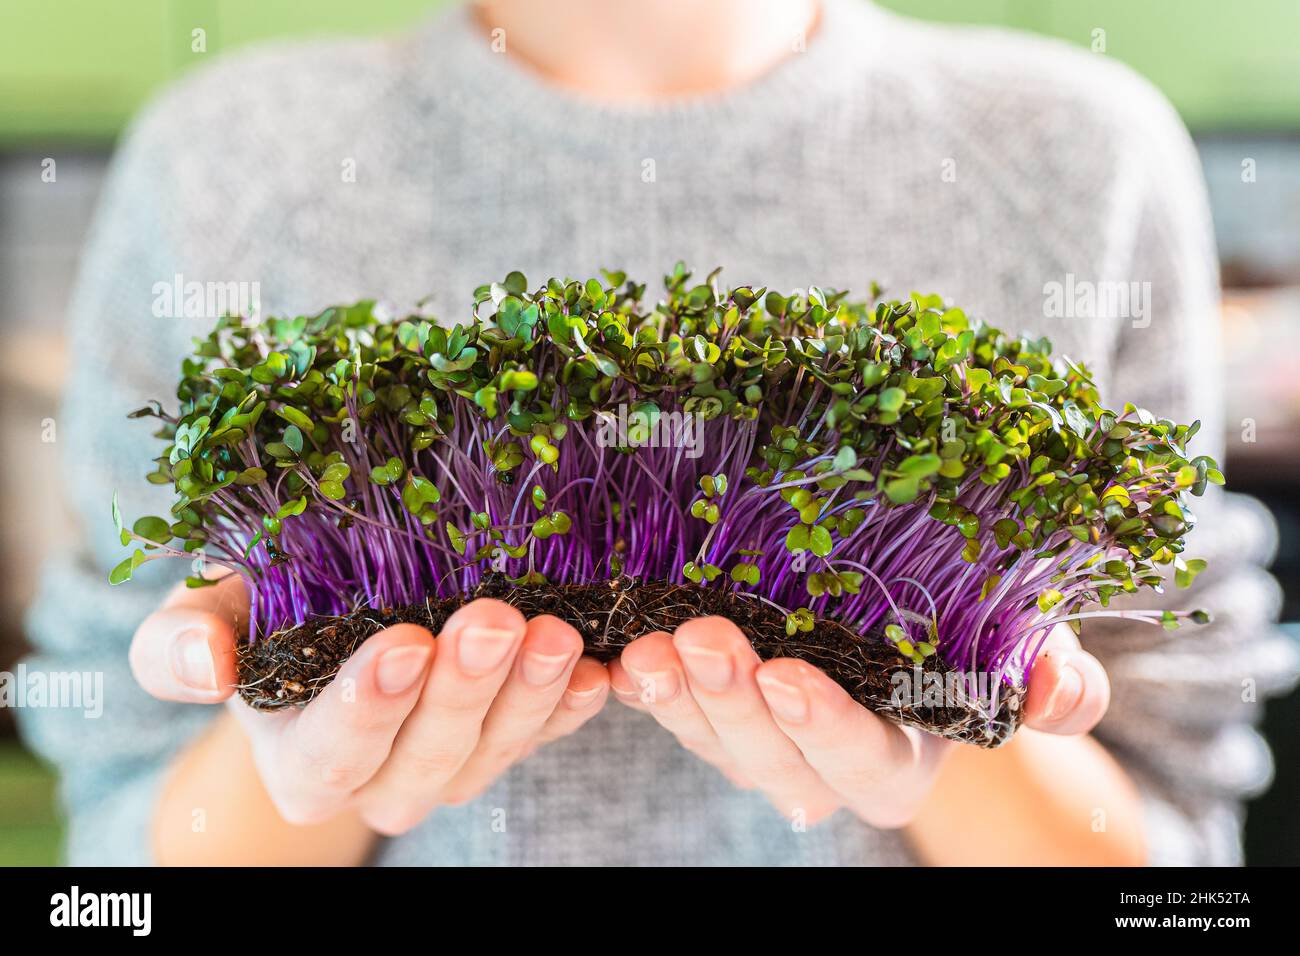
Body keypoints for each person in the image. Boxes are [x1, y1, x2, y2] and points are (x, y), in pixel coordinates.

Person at [21, 0, 1298, 866]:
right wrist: (308, 772)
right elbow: (119, 877)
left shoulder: (1082, 151)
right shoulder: (224, 160)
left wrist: (950, 726)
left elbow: (1173, 877)